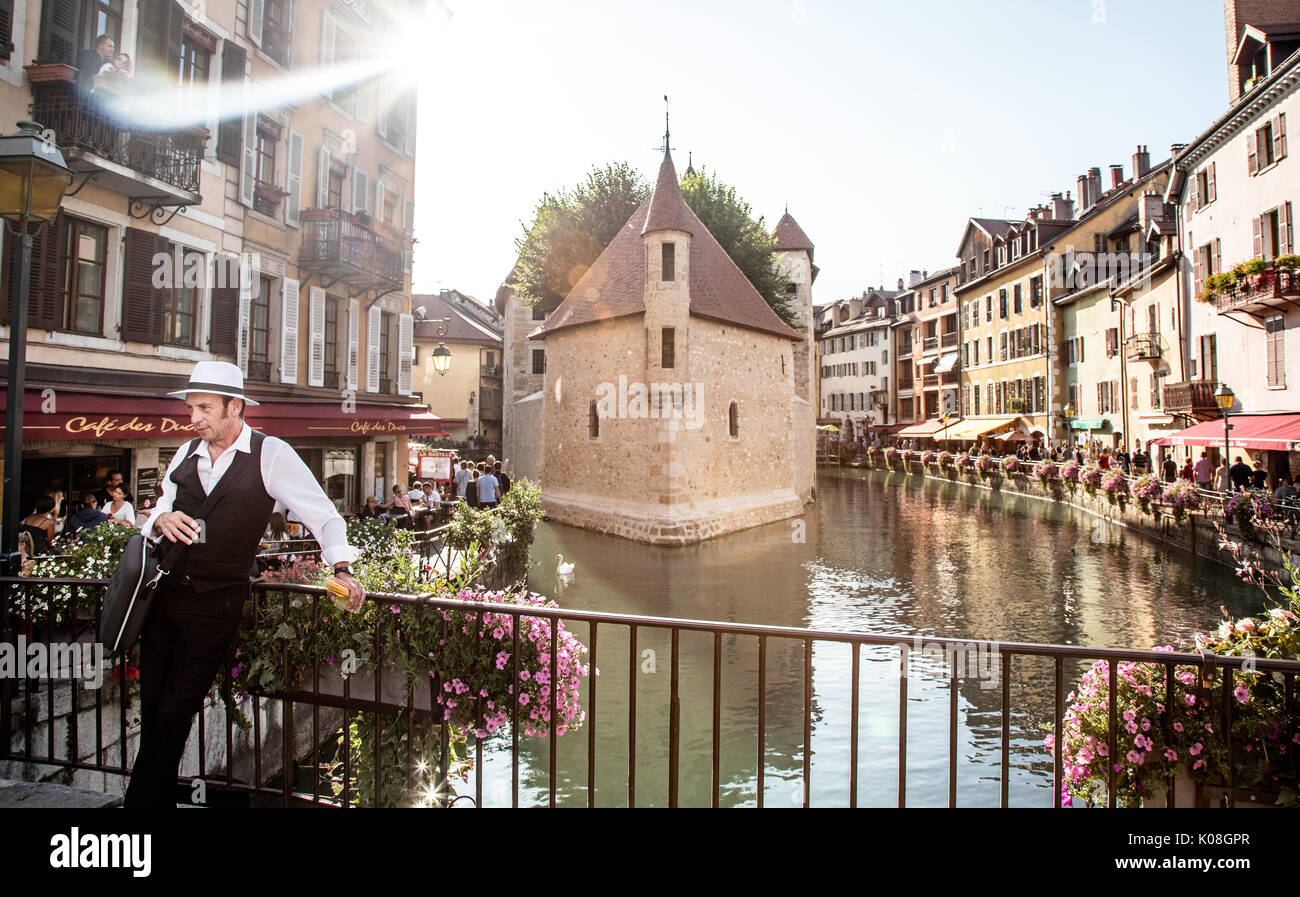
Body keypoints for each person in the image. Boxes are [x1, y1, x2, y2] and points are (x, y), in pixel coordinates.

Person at [125, 361, 362, 808]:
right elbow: (153, 514)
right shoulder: (184, 453)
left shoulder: (271, 454)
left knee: (176, 710)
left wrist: (342, 568)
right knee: (154, 706)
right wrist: (161, 518)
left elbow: (324, 516)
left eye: (204, 408)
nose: (193, 417)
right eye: (192, 407)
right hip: (163, 597)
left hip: (216, 604)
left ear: (235, 407)